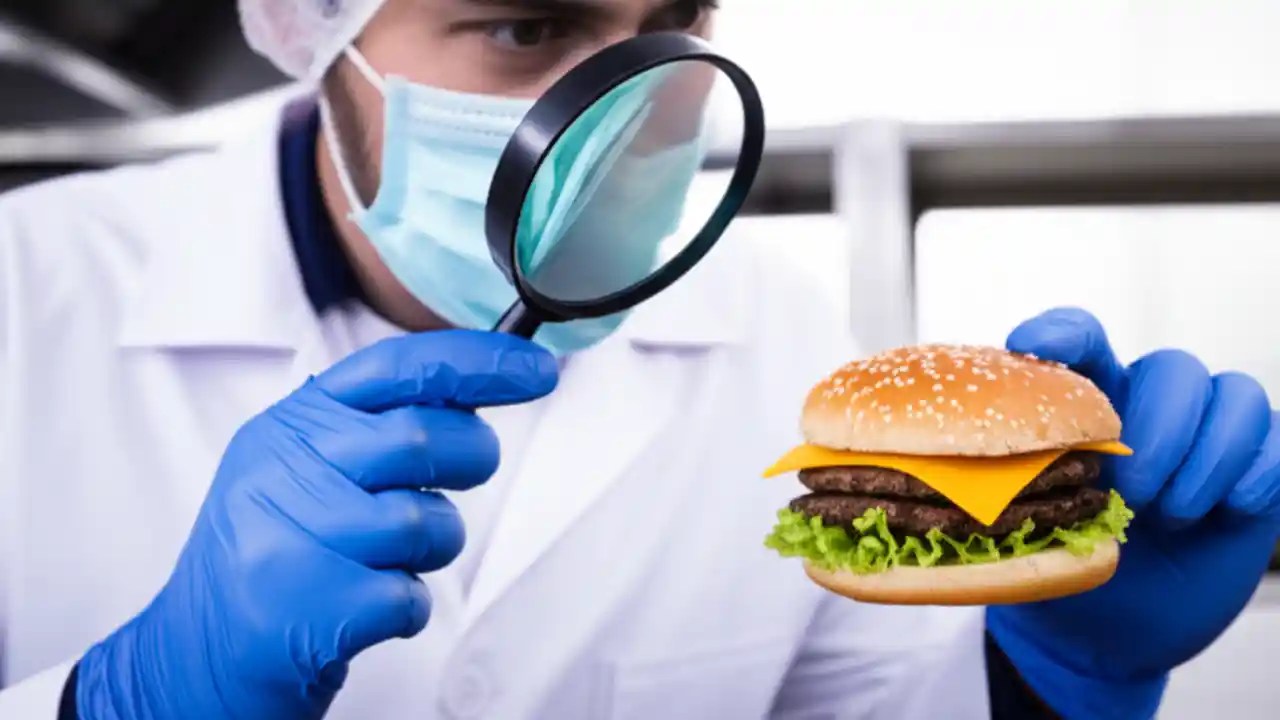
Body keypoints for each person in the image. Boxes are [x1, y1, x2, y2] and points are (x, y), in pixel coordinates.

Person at [0, 1, 1276, 718]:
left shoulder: (777, 339)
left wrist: (1054, 683)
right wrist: (118, 705)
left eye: (667, 26)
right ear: (311, 29)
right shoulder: (23, 299)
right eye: (524, 28)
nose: (619, 113)